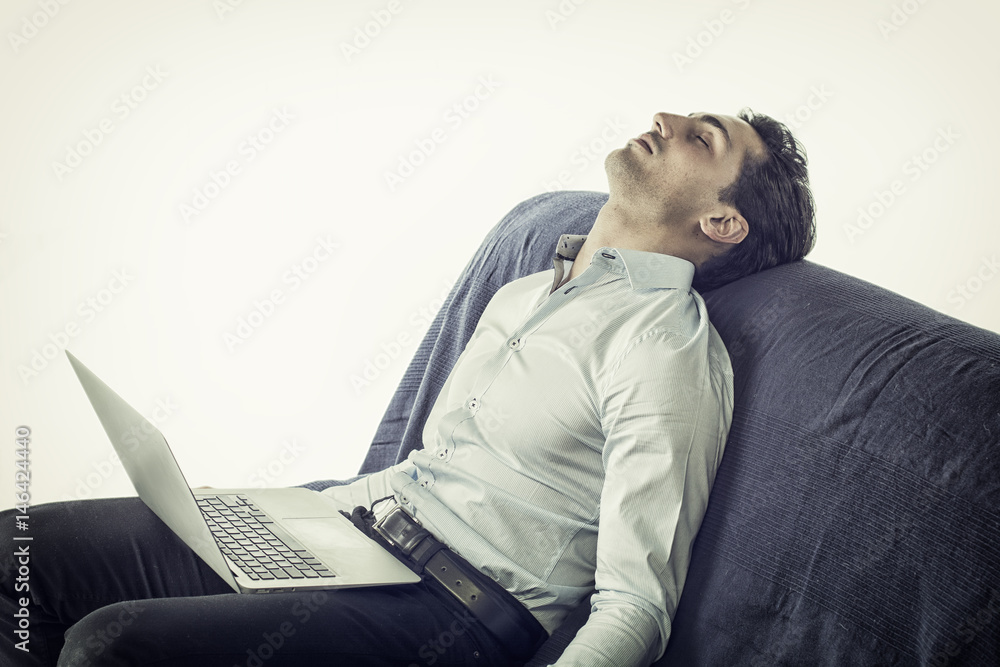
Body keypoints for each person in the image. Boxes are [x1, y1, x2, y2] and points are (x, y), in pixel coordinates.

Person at [0, 108, 815, 666]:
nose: (667, 118)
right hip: (352, 536)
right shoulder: (528, 292)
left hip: (453, 611)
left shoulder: (662, 344)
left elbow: (636, 602)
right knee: (19, 555)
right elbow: (429, 470)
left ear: (722, 223)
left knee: (115, 645)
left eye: (701, 139)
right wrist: (265, 509)